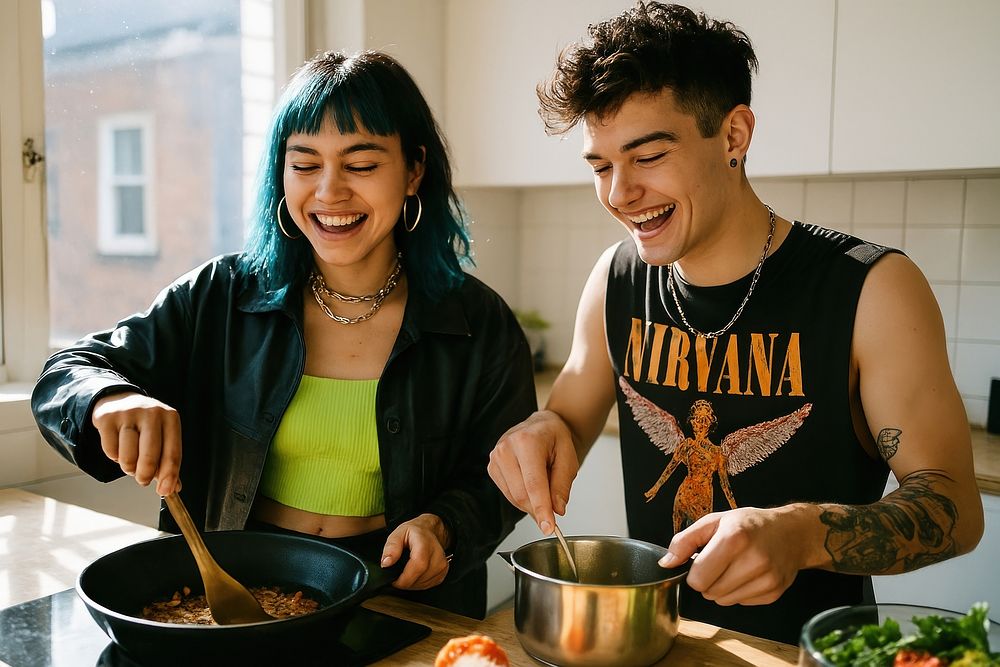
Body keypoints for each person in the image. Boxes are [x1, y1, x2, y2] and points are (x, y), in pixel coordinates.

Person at [488, 2, 984, 643]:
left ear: (733, 136)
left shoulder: (871, 288)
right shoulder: (615, 281)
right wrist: (537, 432)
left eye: (648, 156)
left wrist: (803, 534)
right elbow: (565, 421)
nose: (618, 193)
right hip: (657, 643)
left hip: (810, 650)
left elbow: (956, 508)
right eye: (601, 166)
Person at [31, 49, 536, 619]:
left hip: (400, 603)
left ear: (414, 169)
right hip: (232, 590)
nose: (329, 192)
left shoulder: (478, 322)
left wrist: (445, 527)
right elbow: (67, 371)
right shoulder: (221, 296)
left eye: (361, 164)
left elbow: (499, 479)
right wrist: (109, 398)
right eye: (305, 164)